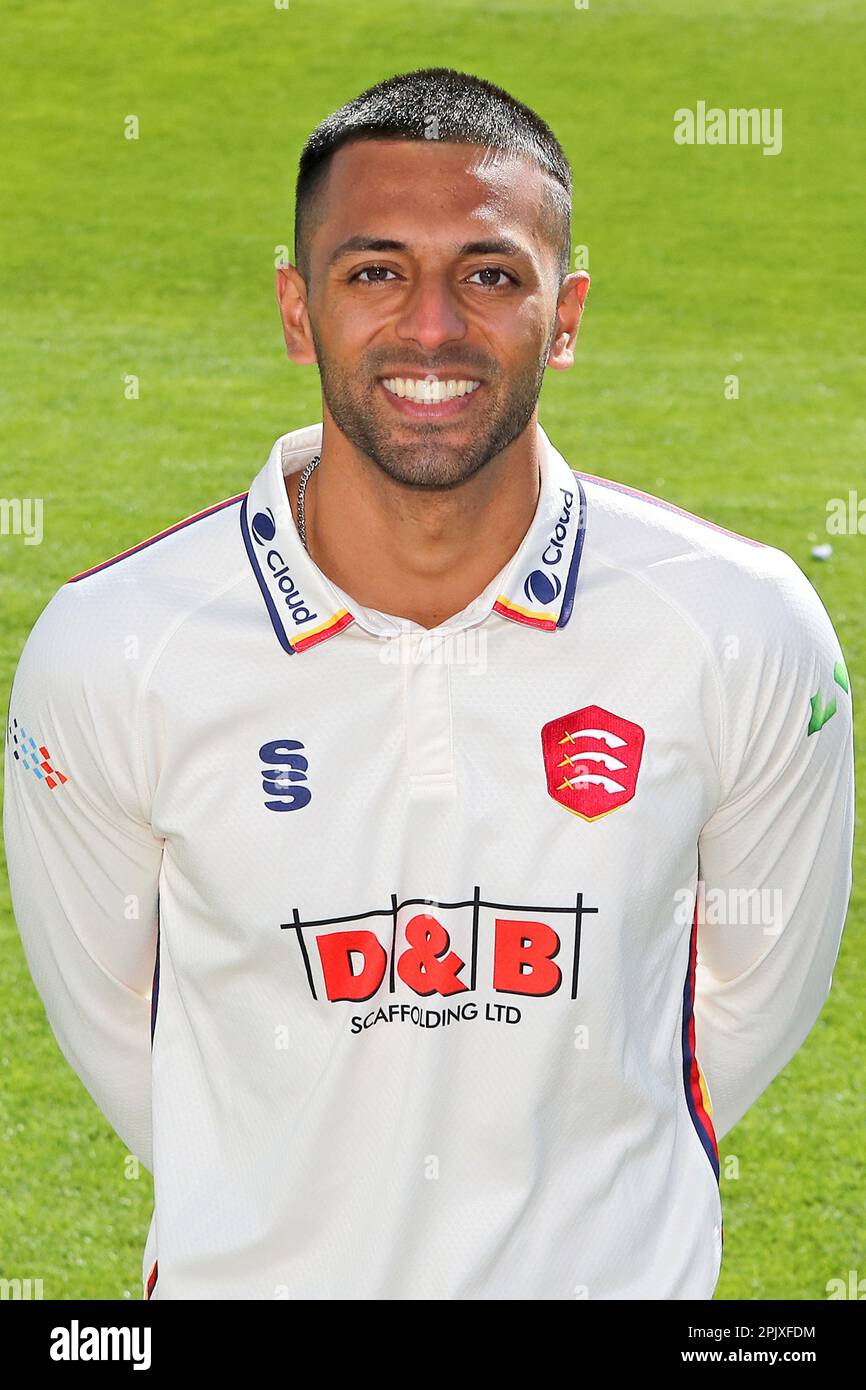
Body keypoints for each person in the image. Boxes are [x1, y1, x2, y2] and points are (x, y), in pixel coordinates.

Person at [3, 67, 854, 1301]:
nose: (433, 327)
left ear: (563, 314)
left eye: (491, 274)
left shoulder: (741, 625)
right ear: (299, 311)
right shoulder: (112, 646)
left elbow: (739, 1014)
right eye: (374, 271)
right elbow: (119, 1031)